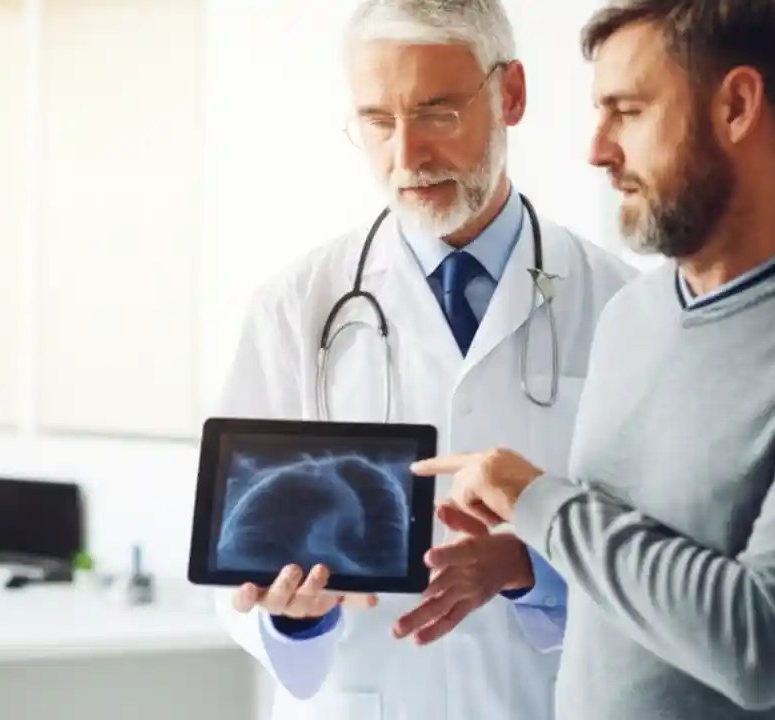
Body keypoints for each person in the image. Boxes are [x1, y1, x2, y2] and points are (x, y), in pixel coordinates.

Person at [412, 1, 775, 718]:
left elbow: (761, 644)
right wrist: (527, 557)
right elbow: (641, 579)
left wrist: (539, 500)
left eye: (628, 111)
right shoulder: (630, 318)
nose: (597, 149)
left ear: (736, 106)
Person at [214, 1, 635, 718]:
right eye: (378, 122)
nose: (406, 156)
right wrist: (293, 619)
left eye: (437, 113)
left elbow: (661, 558)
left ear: (511, 95)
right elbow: (233, 559)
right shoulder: (295, 306)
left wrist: (534, 570)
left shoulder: (618, 304)